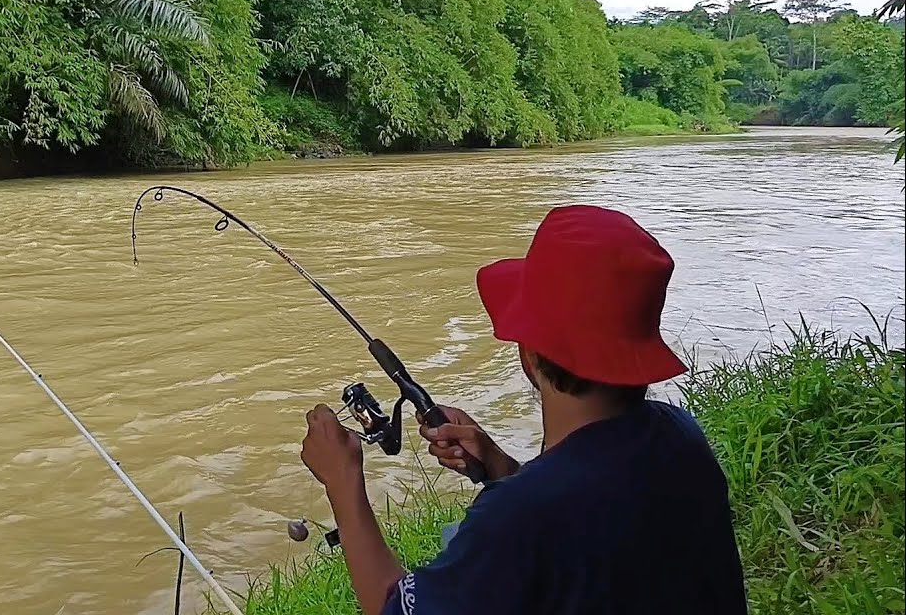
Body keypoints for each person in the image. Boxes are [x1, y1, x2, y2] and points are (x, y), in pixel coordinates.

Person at [300, 204, 748, 615]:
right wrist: (500, 467)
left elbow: (391, 607)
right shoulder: (681, 436)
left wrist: (342, 481)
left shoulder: (517, 518)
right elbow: (591, 526)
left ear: (529, 352)